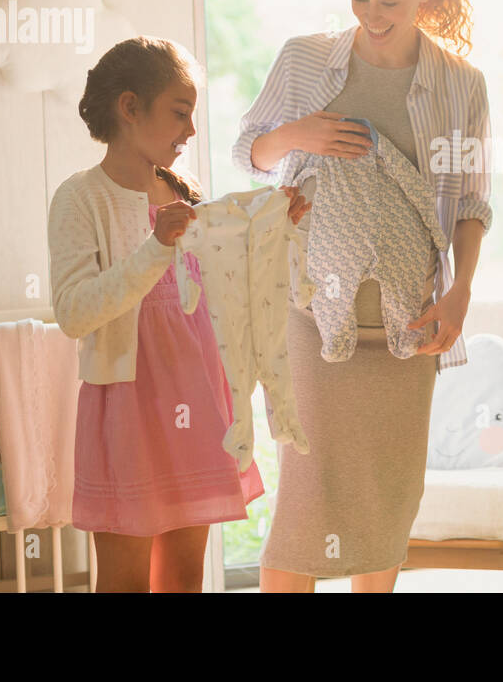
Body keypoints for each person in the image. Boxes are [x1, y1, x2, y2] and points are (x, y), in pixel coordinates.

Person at [232, 0, 493, 593]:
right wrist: (298, 134)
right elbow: (248, 151)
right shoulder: (306, 59)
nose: (371, 14)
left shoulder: (460, 86)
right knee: (307, 495)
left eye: (390, 2)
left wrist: (460, 291)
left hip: (409, 323)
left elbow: (470, 204)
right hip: (311, 318)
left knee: (386, 498)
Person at [48, 36, 308, 591]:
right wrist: (154, 245)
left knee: (186, 576)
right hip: (128, 407)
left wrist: (278, 227)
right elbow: (74, 312)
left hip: (195, 398)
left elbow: (230, 286)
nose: (191, 130)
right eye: (180, 113)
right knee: (124, 581)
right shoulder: (81, 198)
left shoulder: (183, 192)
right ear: (130, 107)